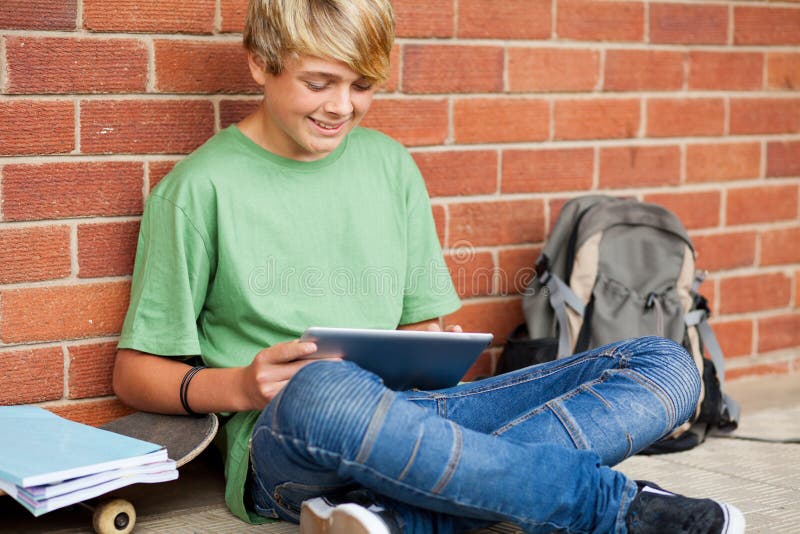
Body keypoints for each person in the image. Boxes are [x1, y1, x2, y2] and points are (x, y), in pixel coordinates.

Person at [112, 1, 746, 532]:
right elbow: (134, 373)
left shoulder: (389, 166)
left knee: (667, 367)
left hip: (419, 417)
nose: (341, 107)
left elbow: (422, 327)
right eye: (319, 82)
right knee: (324, 389)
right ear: (260, 62)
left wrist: (428, 347)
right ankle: (610, 507)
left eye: (361, 86)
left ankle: (396, 519)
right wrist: (242, 387)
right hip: (288, 443)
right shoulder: (198, 189)